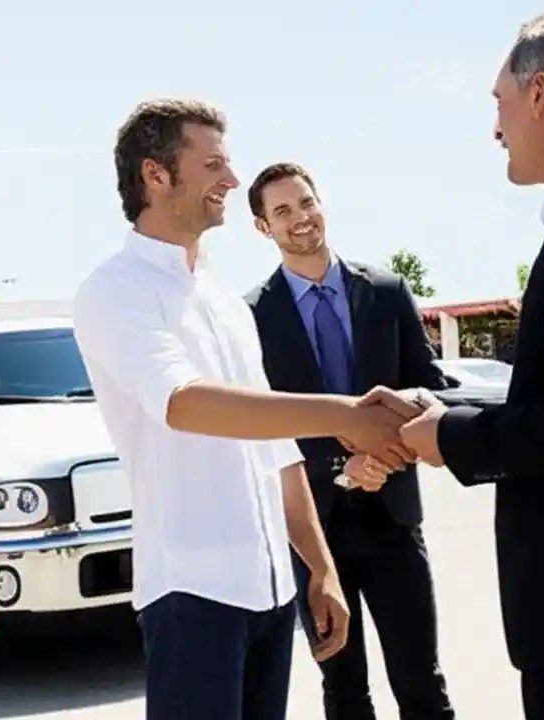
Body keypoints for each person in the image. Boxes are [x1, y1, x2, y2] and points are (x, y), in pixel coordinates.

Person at [72, 98, 417, 720]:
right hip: (192, 594)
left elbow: (275, 450)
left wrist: (319, 567)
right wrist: (344, 414)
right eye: (214, 166)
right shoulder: (113, 291)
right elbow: (183, 403)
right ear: (156, 174)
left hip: (271, 593)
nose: (231, 181)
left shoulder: (225, 301)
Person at [387, 6, 544, 719]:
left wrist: (447, 438)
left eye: (500, 102)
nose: (496, 126)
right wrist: (449, 414)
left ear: (541, 92)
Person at [244, 162, 455, 719]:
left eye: (306, 202)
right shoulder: (250, 316)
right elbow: (260, 421)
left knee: (422, 684)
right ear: (263, 228)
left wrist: (381, 457)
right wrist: (344, 461)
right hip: (315, 532)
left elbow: (432, 389)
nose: (300, 218)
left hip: (392, 516)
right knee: (343, 691)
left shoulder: (385, 292)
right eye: (282, 211)